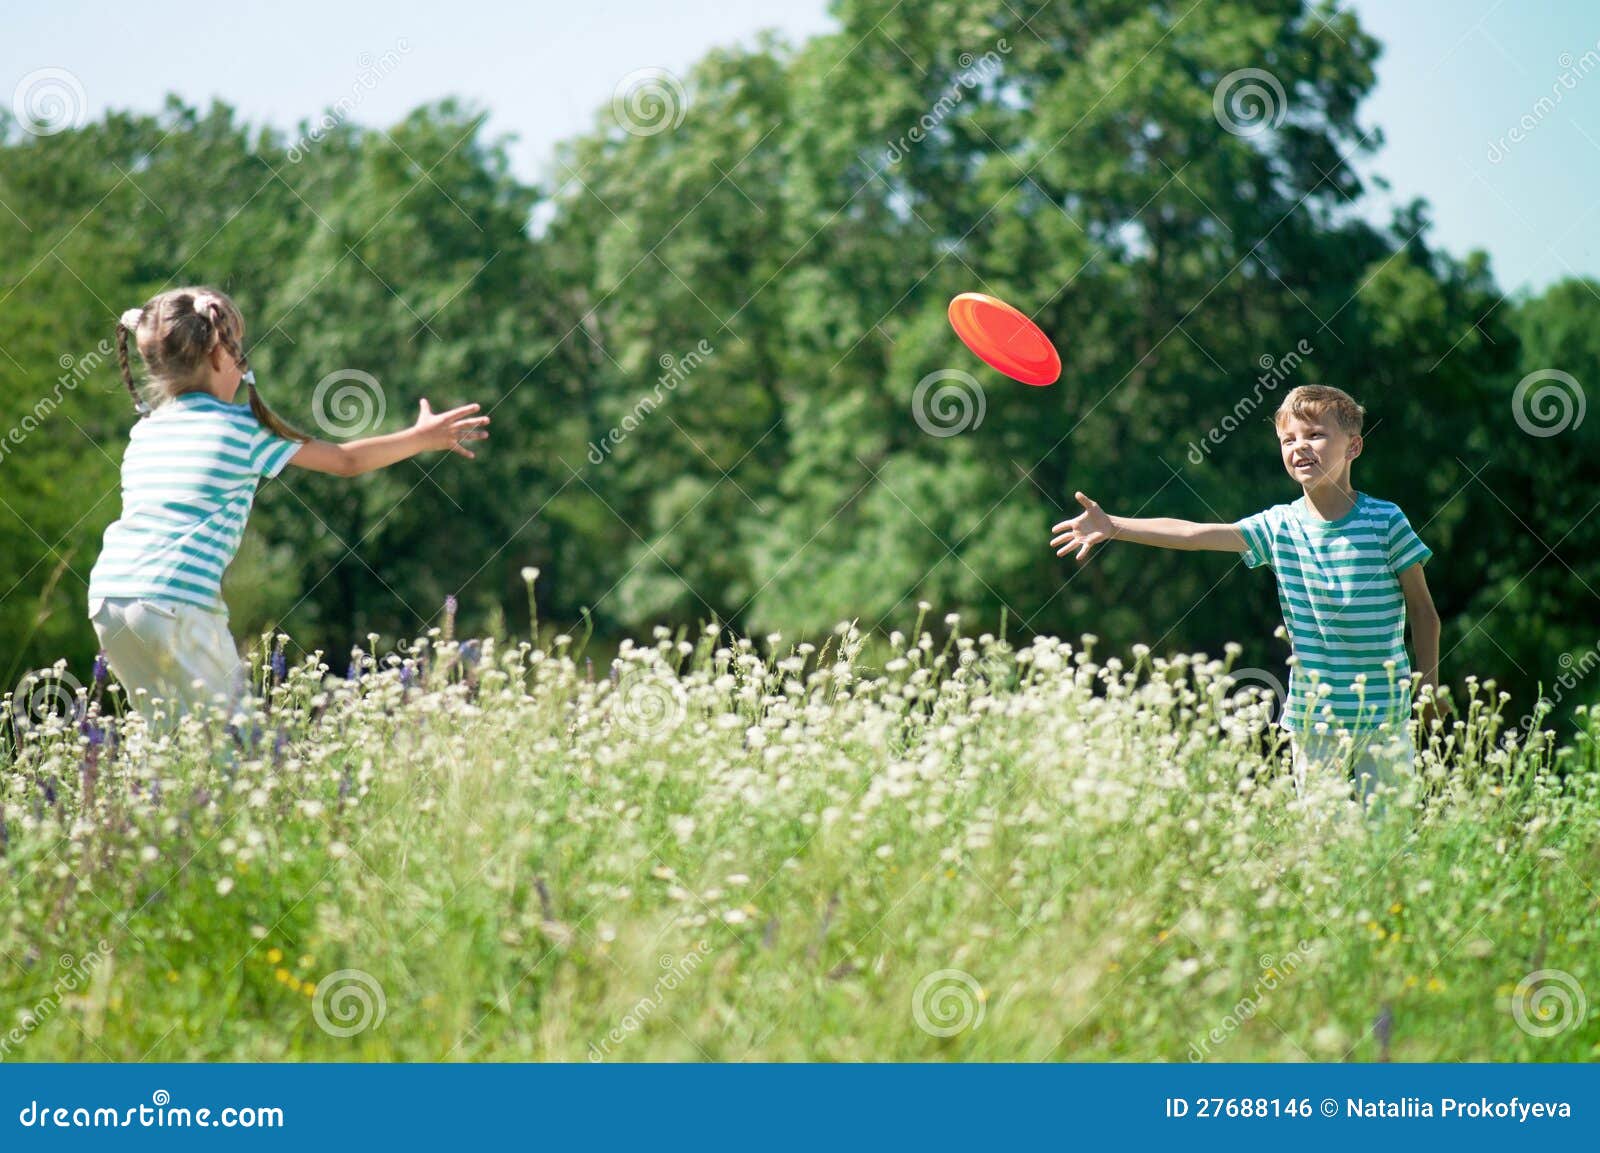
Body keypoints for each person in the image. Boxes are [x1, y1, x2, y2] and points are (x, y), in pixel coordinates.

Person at [87, 286, 490, 719]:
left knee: (170, 739)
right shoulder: (242, 428)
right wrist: (420, 438)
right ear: (219, 355)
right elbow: (345, 461)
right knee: (234, 744)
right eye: (237, 345)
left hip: (110, 599)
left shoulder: (146, 431)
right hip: (175, 600)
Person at [1048, 384, 1440, 806]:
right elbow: (1194, 534)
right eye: (1288, 440)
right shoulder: (1277, 526)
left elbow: (1423, 613)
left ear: (1354, 447)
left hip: (1385, 713)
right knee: (1323, 838)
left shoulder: (1386, 521)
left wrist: (1429, 690)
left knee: (1389, 834)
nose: (1299, 447)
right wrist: (1115, 526)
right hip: (1313, 719)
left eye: (1315, 435)